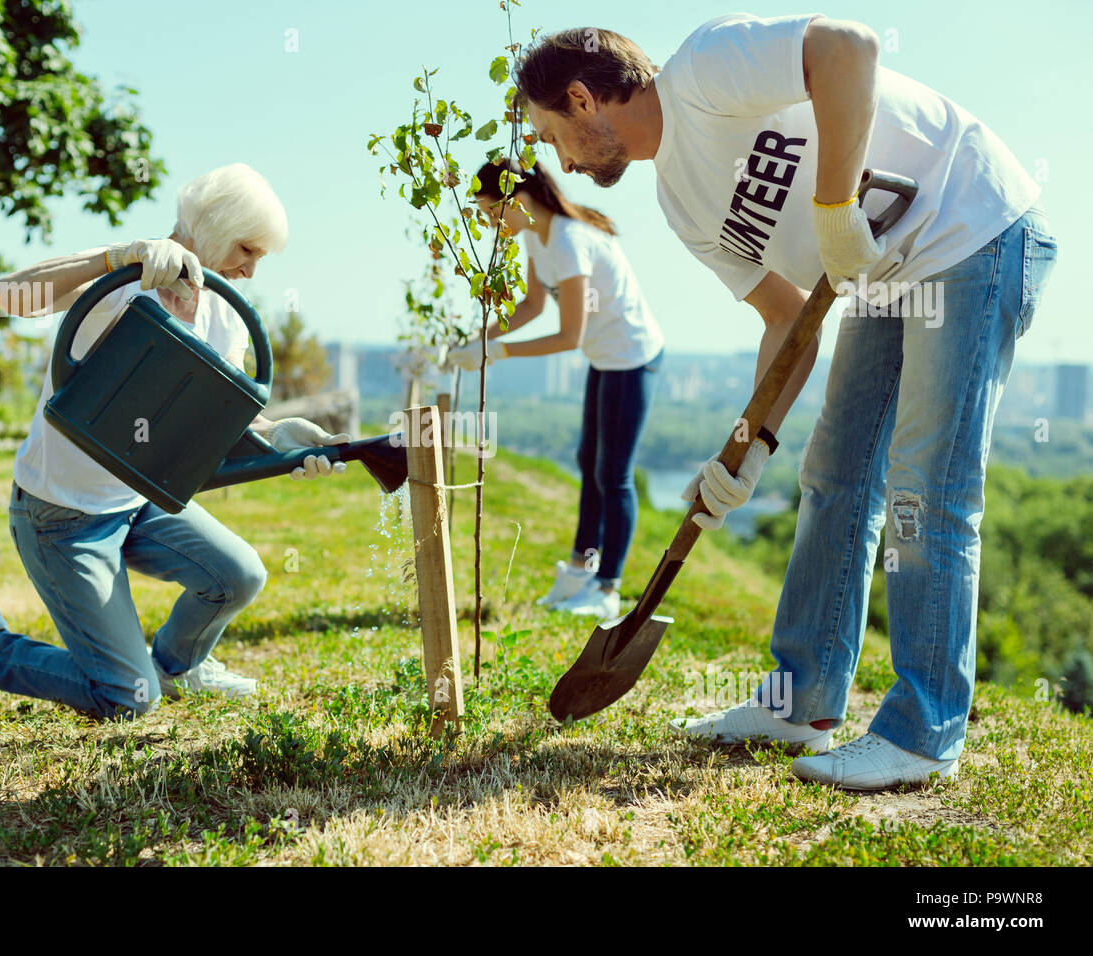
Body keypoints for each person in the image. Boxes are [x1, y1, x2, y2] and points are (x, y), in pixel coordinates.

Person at [515, 15, 1057, 788]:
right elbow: (782, 318)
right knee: (834, 474)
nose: (557, 160)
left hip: (970, 229)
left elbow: (849, 50)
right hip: (881, 273)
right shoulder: (682, 204)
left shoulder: (704, 71)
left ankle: (923, 734)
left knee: (925, 486)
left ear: (580, 99)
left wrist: (834, 207)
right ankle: (799, 701)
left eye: (549, 135)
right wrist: (748, 446)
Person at [0, 164, 352, 720]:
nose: (251, 269)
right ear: (215, 227)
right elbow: (8, 297)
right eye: (247, 249)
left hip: (140, 502)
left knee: (238, 575)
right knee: (127, 699)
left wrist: (280, 439)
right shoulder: (123, 281)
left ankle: (176, 667)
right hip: (63, 516)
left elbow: (221, 422)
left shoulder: (228, 321)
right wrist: (114, 258)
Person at [448, 159, 664, 620]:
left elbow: (568, 335)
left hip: (631, 357)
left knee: (615, 475)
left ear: (518, 201)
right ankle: (579, 570)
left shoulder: (568, 241)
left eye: (490, 212)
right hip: (605, 358)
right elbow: (530, 305)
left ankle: (607, 589)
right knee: (590, 462)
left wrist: (497, 355)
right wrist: (483, 337)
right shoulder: (535, 236)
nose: (489, 224)